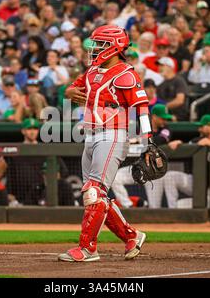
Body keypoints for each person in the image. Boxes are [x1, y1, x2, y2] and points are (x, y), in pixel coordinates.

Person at [60, 25, 152, 262]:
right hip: (91, 135)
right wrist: (69, 92)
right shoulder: (93, 70)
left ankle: (87, 248)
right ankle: (131, 235)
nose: (95, 49)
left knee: (94, 192)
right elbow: (72, 87)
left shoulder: (126, 73)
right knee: (95, 196)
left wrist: (149, 141)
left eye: (100, 44)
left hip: (112, 134)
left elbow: (141, 107)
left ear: (114, 47)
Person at [165, 114, 210, 209]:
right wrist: (179, 143)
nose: (199, 129)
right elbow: (187, 147)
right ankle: (172, 211)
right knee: (170, 176)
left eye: (202, 126)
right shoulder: (197, 140)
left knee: (183, 205)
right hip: (196, 181)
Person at [112, 104, 172, 209]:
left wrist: (140, 141)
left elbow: (160, 139)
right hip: (139, 166)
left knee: (154, 207)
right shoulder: (140, 127)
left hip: (154, 172)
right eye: (162, 118)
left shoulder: (166, 129)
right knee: (116, 178)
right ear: (154, 116)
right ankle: (129, 206)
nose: (164, 121)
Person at [156, 57, 189, 121]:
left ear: (170, 67)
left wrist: (164, 107)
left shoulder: (179, 81)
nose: (159, 68)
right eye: (159, 66)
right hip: (164, 115)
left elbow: (180, 100)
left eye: (162, 65)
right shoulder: (160, 85)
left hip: (178, 116)